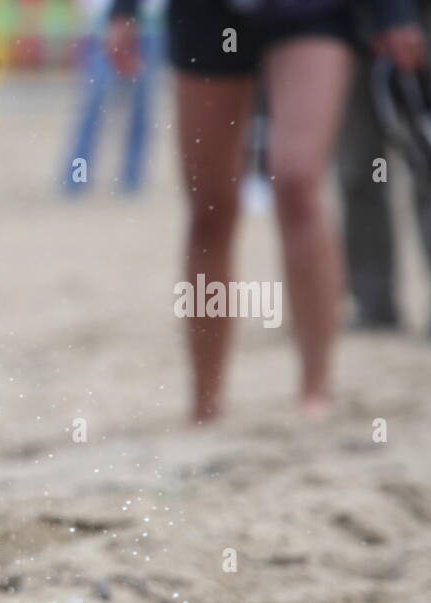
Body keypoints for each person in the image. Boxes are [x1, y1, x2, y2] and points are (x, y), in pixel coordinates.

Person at [107, 0, 425, 423]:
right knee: (209, 207)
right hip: (207, 13)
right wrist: (122, 10)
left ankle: (316, 389)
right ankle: (205, 401)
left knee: (297, 181)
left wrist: (393, 13)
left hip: (312, 13)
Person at [337, 0, 431, 333]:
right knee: (357, 171)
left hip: (418, 21)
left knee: (425, 164)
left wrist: (398, 16)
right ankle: (372, 304)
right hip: (346, 25)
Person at [63, 0, 162, 195]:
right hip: (101, 21)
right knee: (93, 107)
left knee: (139, 109)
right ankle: (77, 178)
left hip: (147, 22)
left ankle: (131, 180)